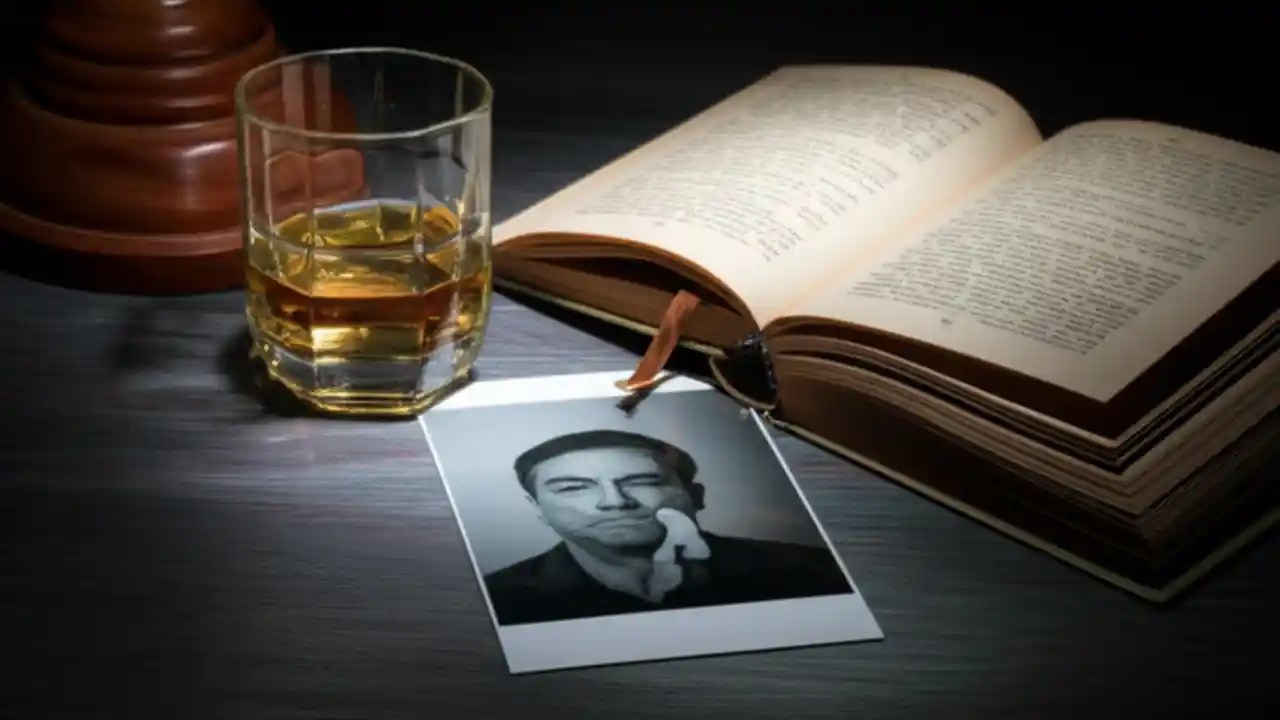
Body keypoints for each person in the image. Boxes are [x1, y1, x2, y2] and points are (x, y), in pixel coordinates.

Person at [482, 429, 853, 625]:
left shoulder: (813, 571)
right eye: (573, 488)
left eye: (643, 482)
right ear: (538, 509)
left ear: (694, 495)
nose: (614, 501)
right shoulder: (498, 599)